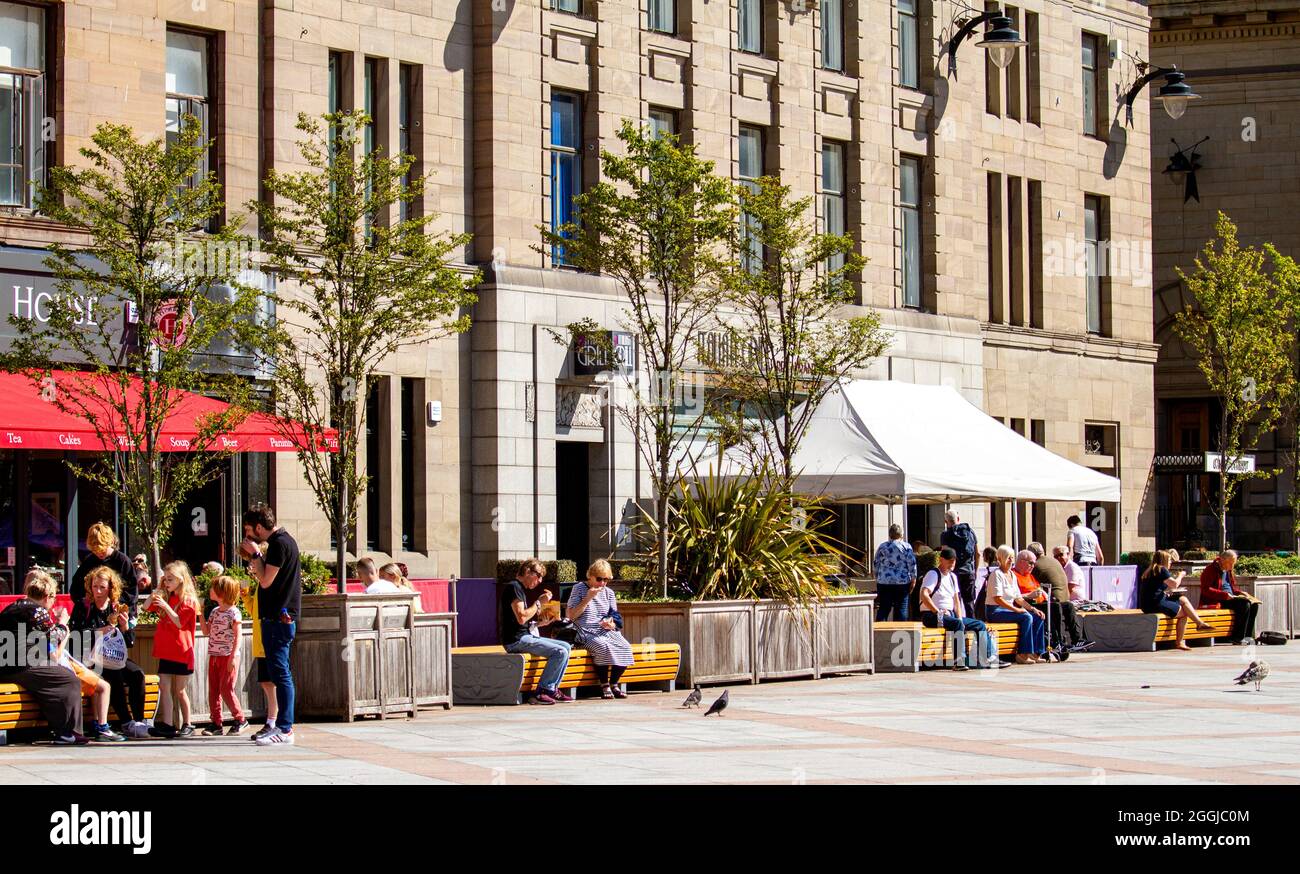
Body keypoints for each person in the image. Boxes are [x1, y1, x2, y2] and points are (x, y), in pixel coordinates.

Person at [0, 570, 98, 744]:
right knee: (69, 679)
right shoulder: (38, 610)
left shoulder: (13, 607)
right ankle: (68, 732)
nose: (53, 603)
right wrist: (63, 623)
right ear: (47, 596)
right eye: (53, 598)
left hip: (7, 665)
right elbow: (55, 636)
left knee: (55, 678)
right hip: (22, 666)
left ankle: (61, 729)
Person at [240, 504, 301, 746]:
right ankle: (280, 726)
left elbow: (266, 581)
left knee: (281, 674)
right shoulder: (283, 542)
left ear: (258, 527)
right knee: (279, 672)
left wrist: (256, 555)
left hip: (278, 618)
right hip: (277, 617)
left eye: (248, 529)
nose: (247, 535)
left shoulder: (279, 543)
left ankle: (285, 728)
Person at [70, 566, 149, 738]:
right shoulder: (83, 607)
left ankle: (139, 720)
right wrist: (98, 631)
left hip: (113, 655)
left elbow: (129, 642)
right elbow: (74, 636)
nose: (97, 591)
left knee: (137, 673)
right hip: (90, 656)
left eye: (102, 587)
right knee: (114, 675)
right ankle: (126, 722)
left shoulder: (117, 607)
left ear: (111, 588)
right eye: (94, 586)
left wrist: (125, 627)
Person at [501, 558, 571, 705]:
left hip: (525, 635)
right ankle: (542, 691)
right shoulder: (514, 587)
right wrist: (539, 603)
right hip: (515, 641)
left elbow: (521, 622)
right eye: (538, 576)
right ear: (527, 571)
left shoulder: (520, 589)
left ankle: (552, 689)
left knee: (566, 646)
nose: (539, 581)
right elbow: (521, 617)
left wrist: (540, 623)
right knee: (560, 652)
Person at [918, 547, 999, 670]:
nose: (952, 563)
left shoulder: (952, 577)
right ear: (941, 560)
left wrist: (960, 617)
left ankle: (988, 657)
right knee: (956, 624)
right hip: (931, 615)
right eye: (949, 560)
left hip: (950, 615)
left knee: (979, 624)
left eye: (954, 561)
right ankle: (959, 661)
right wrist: (937, 612)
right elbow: (924, 595)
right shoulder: (933, 574)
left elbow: (956, 600)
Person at [145, 561, 199, 738]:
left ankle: (188, 723)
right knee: (164, 687)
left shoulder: (188, 601)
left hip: (182, 651)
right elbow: (145, 607)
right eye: (165, 579)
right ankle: (168, 723)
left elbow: (179, 622)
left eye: (170, 579)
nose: (167, 583)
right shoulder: (167, 597)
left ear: (181, 580)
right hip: (166, 650)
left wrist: (166, 605)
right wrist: (156, 591)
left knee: (180, 690)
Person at [567, 559, 636, 697]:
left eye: (606, 580)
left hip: (604, 630)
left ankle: (614, 683)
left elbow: (614, 615)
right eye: (599, 579)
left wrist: (611, 623)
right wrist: (588, 598)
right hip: (584, 631)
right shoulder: (579, 588)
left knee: (626, 647)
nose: (602, 583)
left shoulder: (608, 592)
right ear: (590, 576)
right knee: (602, 646)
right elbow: (571, 616)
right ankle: (604, 684)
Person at [200, 575, 248, 736]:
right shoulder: (214, 612)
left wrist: (233, 656)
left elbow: (238, 635)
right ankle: (216, 722)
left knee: (226, 688)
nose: (210, 591)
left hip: (228, 656)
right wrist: (200, 613)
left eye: (213, 588)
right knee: (213, 690)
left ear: (222, 592)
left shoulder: (234, 613)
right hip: (214, 655)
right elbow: (206, 632)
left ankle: (240, 719)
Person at [986, 544, 1048, 664]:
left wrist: (1033, 609)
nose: (1011, 561)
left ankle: (1036, 652)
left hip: (1008, 610)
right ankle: (1022, 654)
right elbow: (998, 599)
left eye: (1012, 558)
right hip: (995, 611)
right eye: (1008, 558)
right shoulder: (996, 574)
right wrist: (1016, 609)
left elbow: (1018, 598)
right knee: (1025, 617)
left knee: (1038, 617)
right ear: (1000, 559)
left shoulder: (1012, 575)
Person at [1140, 550, 1213, 651]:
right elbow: (1174, 584)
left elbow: (1153, 589)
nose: (1170, 562)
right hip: (1156, 604)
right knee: (1184, 614)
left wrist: (1166, 593)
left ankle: (1199, 623)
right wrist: (1181, 575)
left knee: (1182, 599)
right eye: (1169, 560)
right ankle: (1180, 642)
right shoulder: (1161, 569)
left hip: (1147, 604)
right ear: (1164, 560)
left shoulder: (1150, 570)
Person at [1028, 541, 1086, 655]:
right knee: (1067, 605)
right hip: (1063, 599)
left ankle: (1059, 641)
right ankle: (1077, 639)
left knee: (1055, 606)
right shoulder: (1054, 562)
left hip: (1052, 601)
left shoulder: (1035, 566)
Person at [69, 522, 138, 616]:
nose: (99, 553)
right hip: (94, 613)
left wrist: (114, 603)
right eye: (95, 550)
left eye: (102, 550)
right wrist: (85, 602)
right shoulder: (89, 561)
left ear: (111, 543)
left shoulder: (123, 561)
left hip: (118, 613)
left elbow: (131, 591)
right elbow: (76, 588)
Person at [1198, 550, 1260, 644]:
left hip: (1230, 598)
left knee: (1254, 604)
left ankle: (1247, 637)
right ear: (1222, 560)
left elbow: (1231, 587)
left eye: (1233, 563)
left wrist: (1241, 593)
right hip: (1217, 600)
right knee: (1244, 604)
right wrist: (1225, 595)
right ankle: (1237, 638)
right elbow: (1205, 590)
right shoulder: (1210, 570)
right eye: (1230, 563)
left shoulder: (1228, 570)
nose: (1232, 566)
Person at [939, 510, 981, 618]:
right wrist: (975, 571)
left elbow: (946, 555)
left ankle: (956, 629)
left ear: (945, 521)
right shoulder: (971, 532)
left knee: (954, 602)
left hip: (953, 573)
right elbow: (978, 553)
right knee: (969, 603)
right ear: (958, 518)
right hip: (969, 571)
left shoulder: (945, 535)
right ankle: (973, 629)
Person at [872, 524, 916, 622]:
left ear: (890, 534)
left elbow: (876, 563)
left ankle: (879, 633)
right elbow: (912, 564)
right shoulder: (906, 546)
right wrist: (913, 578)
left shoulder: (882, 547)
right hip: (902, 582)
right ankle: (900, 634)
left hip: (884, 582)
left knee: (883, 608)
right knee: (901, 609)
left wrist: (877, 577)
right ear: (902, 534)